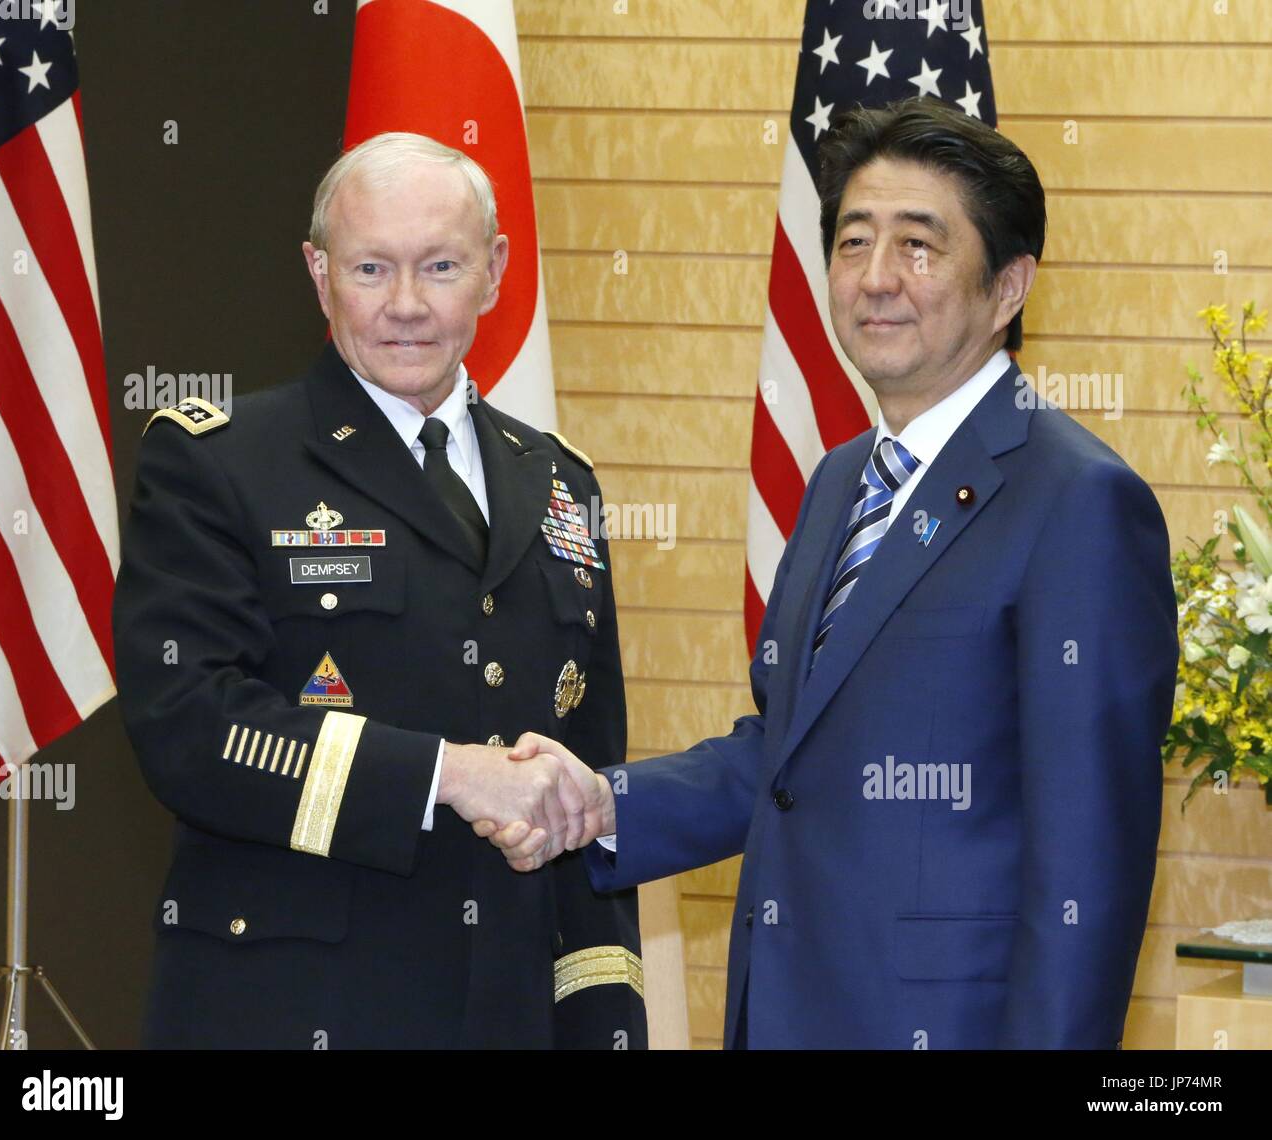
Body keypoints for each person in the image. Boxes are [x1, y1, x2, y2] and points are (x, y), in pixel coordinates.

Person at [477, 99, 1178, 1050]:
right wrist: (606, 806)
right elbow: (790, 759)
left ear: (1008, 286)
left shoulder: (1079, 503)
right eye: (853, 242)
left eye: (919, 246)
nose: (876, 279)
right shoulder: (844, 476)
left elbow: (1087, 863)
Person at [112, 132, 645, 1049]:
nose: (406, 306)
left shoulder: (562, 482)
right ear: (319, 274)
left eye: (440, 265)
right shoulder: (219, 460)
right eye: (370, 269)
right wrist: (446, 774)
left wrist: (606, 1019)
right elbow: (190, 731)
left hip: (510, 1013)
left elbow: (586, 786)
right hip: (298, 1006)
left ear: (495, 270)